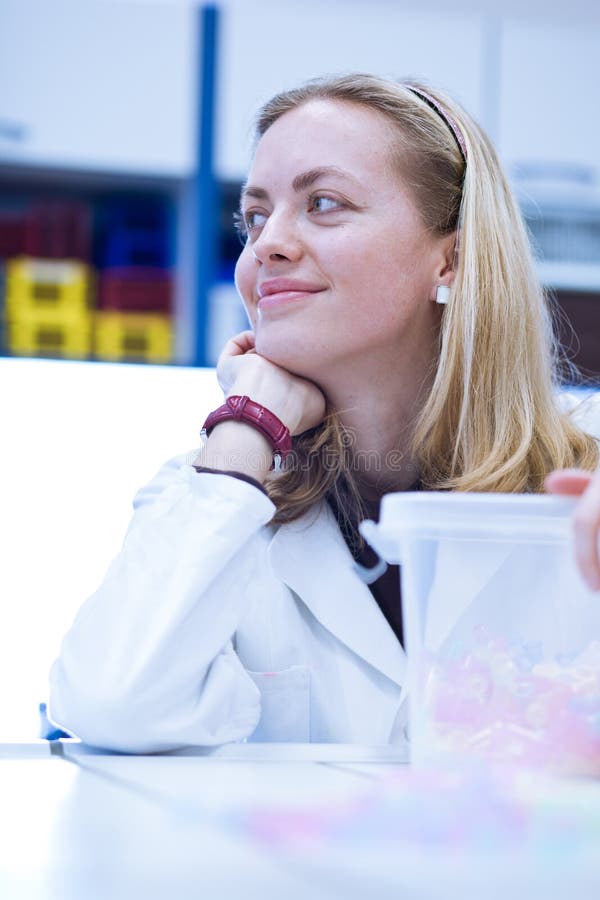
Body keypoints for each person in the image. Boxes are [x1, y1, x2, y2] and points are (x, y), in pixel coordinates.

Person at [48, 73, 600, 752]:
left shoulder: (583, 486)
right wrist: (248, 423)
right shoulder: (217, 490)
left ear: (451, 259)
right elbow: (108, 703)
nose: (266, 245)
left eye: (325, 203)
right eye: (255, 216)